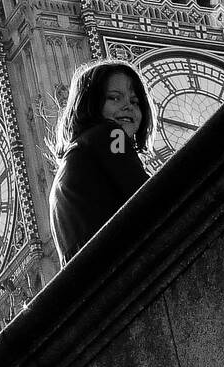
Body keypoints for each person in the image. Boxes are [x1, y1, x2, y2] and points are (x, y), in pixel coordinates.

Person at [48, 60, 153, 267]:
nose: (128, 106)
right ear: (91, 104)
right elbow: (144, 191)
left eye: (135, 101)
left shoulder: (78, 154)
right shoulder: (110, 134)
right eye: (114, 98)